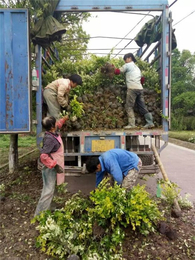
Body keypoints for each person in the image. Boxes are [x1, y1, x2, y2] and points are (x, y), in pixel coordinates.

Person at [34, 115, 68, 216]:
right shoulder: (49, 139)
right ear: (52, 127)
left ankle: (51, 209)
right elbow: (43, 156)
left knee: (54, 189)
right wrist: (55, 165)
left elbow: (58, 125)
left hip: (54, 165)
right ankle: (39, 216)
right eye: (55, 122)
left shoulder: (53, 131)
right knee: (48, 191)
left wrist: (65, 118)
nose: (57, 123)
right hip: (50, 167)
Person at [114, 53, 154, 129]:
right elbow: (142, 79)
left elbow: (117, 72)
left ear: (129, 58)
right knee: (142, 106)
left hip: (132, 89)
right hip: (140, 88)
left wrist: (112, 68)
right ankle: (150, 122)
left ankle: (132, 124)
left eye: (125, 59)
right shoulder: (137, 68)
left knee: (129, 106)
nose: (125, 61)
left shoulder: (128, 65)